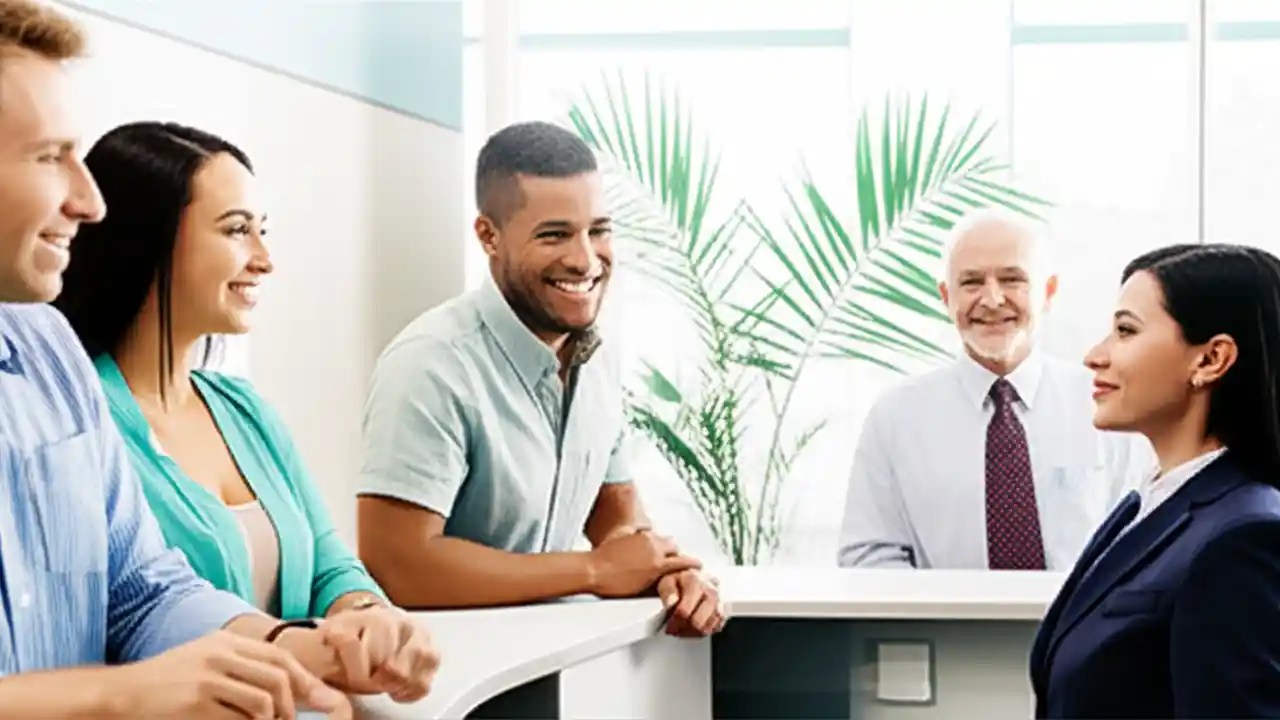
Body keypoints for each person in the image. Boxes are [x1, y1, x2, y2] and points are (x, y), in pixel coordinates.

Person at [0, 1, 351, 716]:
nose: (88, 200)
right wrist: (112, 697)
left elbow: (144, 590)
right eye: (48, 157)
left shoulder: (49, 355)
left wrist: (292, 646)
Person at [52, 120, 440, 703]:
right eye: (237, 231)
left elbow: (330, 561)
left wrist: (365, 615)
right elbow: (138, 611)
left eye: (263, 231)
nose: (264, 260)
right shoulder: (75, 420)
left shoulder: (243, 408)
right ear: (150, 240)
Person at [357, 120, 723, 636]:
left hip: (553, 660)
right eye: (555, 235)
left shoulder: (597, 358)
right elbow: (397, 568)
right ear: (489, 236)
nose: (585, 259)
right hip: (450, 683)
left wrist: (666, 572)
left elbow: (617, 517)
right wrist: (594, 571)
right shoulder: (430, 364)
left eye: (598, 230)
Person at [1031, 243, 1280, 718]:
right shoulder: (1144, 505)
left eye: (1125, 331)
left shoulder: (1243, 536)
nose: (1094, 356)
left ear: (1210, 360)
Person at [837, 209, 1153, 570]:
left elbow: (1140, 541)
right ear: (946, 296)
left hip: (1086, 625)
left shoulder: (1105, 402)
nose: (991, 299)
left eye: (1012, 279)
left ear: (1048, 292)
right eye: (971, 282)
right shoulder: (895, 418)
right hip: (944, 625)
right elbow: (868, 556)